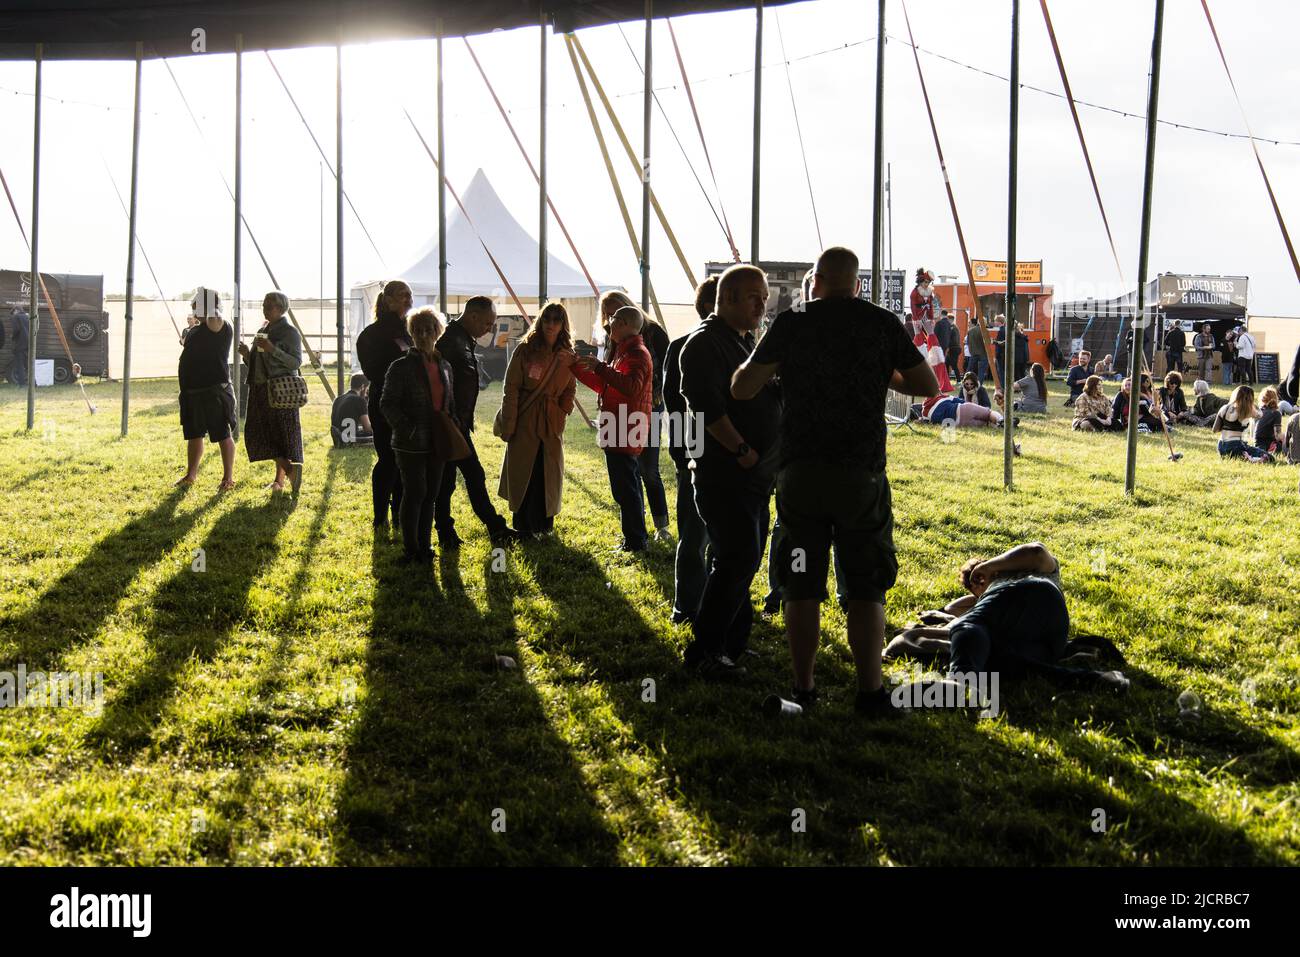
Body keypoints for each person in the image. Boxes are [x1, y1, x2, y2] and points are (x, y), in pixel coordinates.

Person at [733, 246, 939, 715]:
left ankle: (804, 689)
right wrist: (879, 379)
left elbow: (741, 387)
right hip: (860, 473)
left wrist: (776, 371)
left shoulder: (793, 321)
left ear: (816, 282)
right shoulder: (881, 322)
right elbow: (927, 384)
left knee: (801, 581)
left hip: (800, 473)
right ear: (858, 284)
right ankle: (870, 693)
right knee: (866, 585)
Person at [677, 264, 781, 678]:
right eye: (755, 296)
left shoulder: (744, 341)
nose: (763, 303)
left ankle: (732, 645)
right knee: (735, 558)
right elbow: (705, 408)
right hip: (726, 474)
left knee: (744, 558)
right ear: (729, 297)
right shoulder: (703, 344)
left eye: (764, 296)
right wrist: (741, 450)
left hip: (754, 478)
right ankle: (705, 651)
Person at [887, 543, 1129, 703]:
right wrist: (972, 598)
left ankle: (959, 682)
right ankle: (1096, 680)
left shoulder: (1023, 573)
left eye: (979, 581)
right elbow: (955, 607)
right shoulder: (992, 602)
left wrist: (988, 567)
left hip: (1038, 597)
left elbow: (1036, 551)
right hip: (1049, 641)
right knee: (1004, 661)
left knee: (966, 627)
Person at [435, 296, 519, 549]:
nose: (489, 329)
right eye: (487, 323)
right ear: (472, 316)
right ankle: (492, 527)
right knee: (465, 476)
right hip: (450, 423)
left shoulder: (460, 339)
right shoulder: (450, 342)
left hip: (456, 422)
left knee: (453, 479)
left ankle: (450, 530)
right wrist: (450, 420)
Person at [380, 308, 458, 564]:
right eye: (418, 330)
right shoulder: (400, 367)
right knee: (415, 494)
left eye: (429, 330)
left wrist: (453, 426)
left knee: (431, 496)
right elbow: (387, 403)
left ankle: (425, 547)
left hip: (438, 439)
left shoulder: (445, 365)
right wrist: (407, 428)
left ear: (438, 332)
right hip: (410, 443)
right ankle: (411, 549)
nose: (424, 335)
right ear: (411, 334)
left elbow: (450, 403)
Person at [574, 305, 654, 553]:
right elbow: (606, 386)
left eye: (615, 320)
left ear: (627, 324)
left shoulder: (637, 354)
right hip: (618, 423)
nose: (610, 324)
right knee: (625, 486)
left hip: (625, 425)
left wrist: (600, 368)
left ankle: (636, 541)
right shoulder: (623, 353)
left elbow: (631, 386)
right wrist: (577, 367)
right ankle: (633, 538)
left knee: (626, 488)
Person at [497, 302, 577, 537]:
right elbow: (510, 388)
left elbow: (570, 389)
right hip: (525, 420)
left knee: (548, 474)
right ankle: (523, 526)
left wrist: (562, 412)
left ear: (563, 324)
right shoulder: (525, 349)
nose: (551, 324)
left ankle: (544, 526)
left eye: (556, 319)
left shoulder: (567, 356)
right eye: (547, 319)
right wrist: (510, 424)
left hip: (551, 423)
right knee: (525, 472)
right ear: (540, 321)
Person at [663, 276, 717, 623]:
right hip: (697, 457)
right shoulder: (683, 345)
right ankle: (687, 607)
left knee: (722, 541)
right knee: (695, 535)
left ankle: (715, 605)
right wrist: (687, 454)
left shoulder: (747, 345)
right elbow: (674, 402)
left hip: (731, 461)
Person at [599, 290, 671, 541]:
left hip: (651, 405)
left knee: (648, 469)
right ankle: (636, 527)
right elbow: (611, 369)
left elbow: (669, 367)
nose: (611, 318)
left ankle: (661, 525)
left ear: (628, 311)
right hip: (625, 410)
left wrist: (656, 396)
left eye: (615, 311)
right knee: (630, 471)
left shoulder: (653, 333)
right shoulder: (614, 337)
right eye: (607, 313)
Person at [357, 280, 413, 529]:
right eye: (403, 295)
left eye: (410, 295)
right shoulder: (371, 335)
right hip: (384, 404)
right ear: (388, 300)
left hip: (411, 406)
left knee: (405, 460)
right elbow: (373, 371)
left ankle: (400, 513)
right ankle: (380, 515)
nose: (408, 300)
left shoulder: (412, 330)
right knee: (388, 460)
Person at [238, 291, 304, 496]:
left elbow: (295, 362)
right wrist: (247, 355)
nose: (265, 308)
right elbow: (258, 363)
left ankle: (288, 472)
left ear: (281, 308)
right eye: (264, 305)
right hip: (260, 389)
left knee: (279, 435)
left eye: (269, 305)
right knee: (263, 434)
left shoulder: (290, 332)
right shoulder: (263, 329)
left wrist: (272, 349)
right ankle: (285, 475)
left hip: (280, 391)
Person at [174, 286, 236, 491]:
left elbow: (214, 319)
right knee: (194, 435)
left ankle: (228, 478)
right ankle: (191, 475)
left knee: (222, 434)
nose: (192, 308)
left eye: (197, 304)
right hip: (192, 392)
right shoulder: (196, 329)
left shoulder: (220, 325)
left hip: (213, 391)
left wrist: (208, 300)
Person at [909, 268, 951, 392]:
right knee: (919, 339)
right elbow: (913, 307)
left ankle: (936, 362)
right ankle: (919, 363)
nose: (926, 284)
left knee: (932, 337)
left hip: (926, 317)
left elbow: (931, 307)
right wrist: (916, 320)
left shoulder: (929, 293)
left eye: (928, 282)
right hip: (917, 317)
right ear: (920, 281)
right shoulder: (914, 293)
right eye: (925, 282)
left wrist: (932, 318)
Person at [1212, 385, 1270, 462]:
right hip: (1236, 445)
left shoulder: (1224, 408)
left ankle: (1248, 457)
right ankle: (1252, 459)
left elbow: (1215, 430)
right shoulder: (1248, 411)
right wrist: (1252, 404)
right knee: (1270, 457)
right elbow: (1260, 414)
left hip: (1221, 447)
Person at [331, 374, 374, 447]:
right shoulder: (360, 400)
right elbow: (367, 428)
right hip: (350, 438)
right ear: (362, 387)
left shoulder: (338, 399)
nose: (366, 395)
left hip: (340, 434)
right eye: (366, 390)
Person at [1254, 386, 1284, 456]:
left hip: (1257, 443)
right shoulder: (1276, 413)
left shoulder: (1258, 412)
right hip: (1269, 444)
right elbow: (1278, 436)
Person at [10, 306, 29, 386]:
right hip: (28, 343)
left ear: (16, 310)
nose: (13, 314)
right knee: (27, 365)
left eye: (13, 312)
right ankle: (33, 383)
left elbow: (16, 329)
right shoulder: (27, 317)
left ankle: (22, 384)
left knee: (20, 365)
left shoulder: (16, 317)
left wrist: (12, 336)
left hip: (20, 344)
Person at [934, 309, 956, 378]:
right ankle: (942, 376)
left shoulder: (939, 323)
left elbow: (934, 334)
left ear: (941, 315)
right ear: (946, 315)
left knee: (937, 361)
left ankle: (938, 376)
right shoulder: (949, 324)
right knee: (942, 360)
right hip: (946, 345)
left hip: (938, 345)